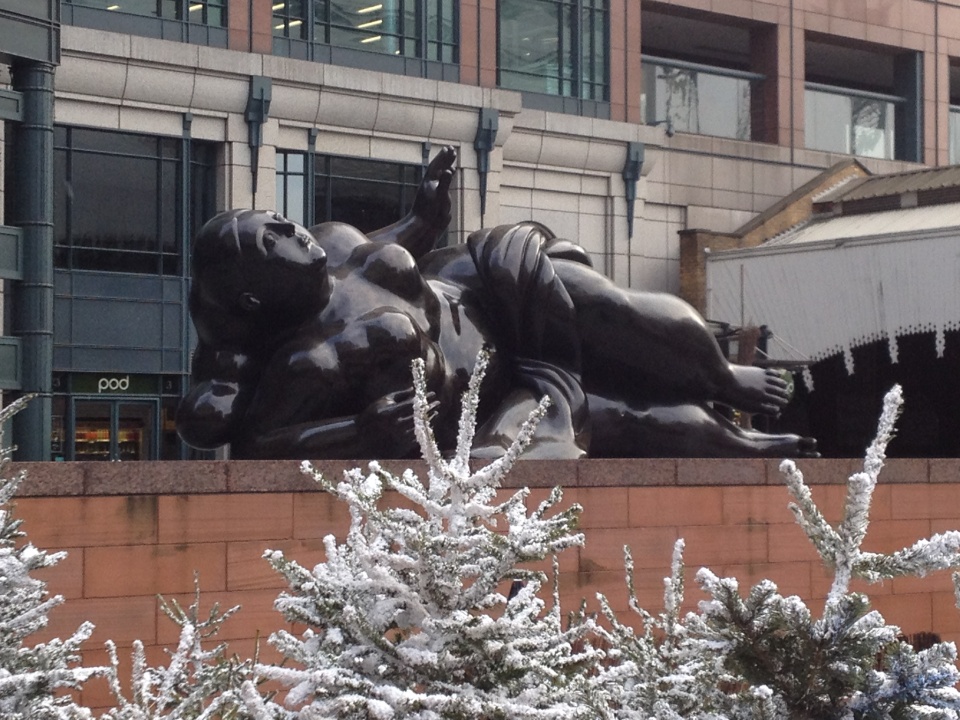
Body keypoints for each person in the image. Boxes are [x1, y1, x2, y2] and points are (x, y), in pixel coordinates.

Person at [177, 147, 817, 460]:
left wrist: (423, 215)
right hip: (490, 393)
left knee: (610, 311)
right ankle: (737, 445)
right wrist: (359, 432)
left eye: (277, 219)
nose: (290, 228)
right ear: (256, 297)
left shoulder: (334, 241)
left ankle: (719, 374)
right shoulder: (306, 362)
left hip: (479, 284)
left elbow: (396, 247)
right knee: (620, 416)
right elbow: (263, 445)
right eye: (272, 239)